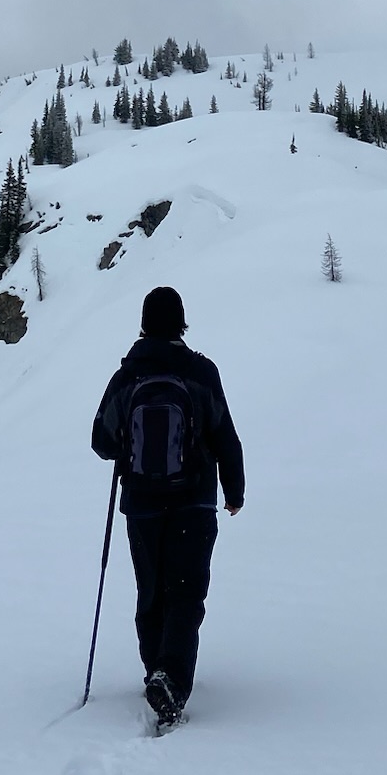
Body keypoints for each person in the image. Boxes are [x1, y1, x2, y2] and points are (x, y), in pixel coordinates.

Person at [90, 285, 244, 728]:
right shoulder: (201, 371)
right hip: (193, 501)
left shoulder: (128, 375)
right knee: (186, 591)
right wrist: (234, 492)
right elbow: (224, 435)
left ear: (143, 323)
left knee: (152, 589)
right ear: (181, 322)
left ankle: (155, 670)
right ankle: (172, 679)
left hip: (141, 504)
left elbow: (101, 440)